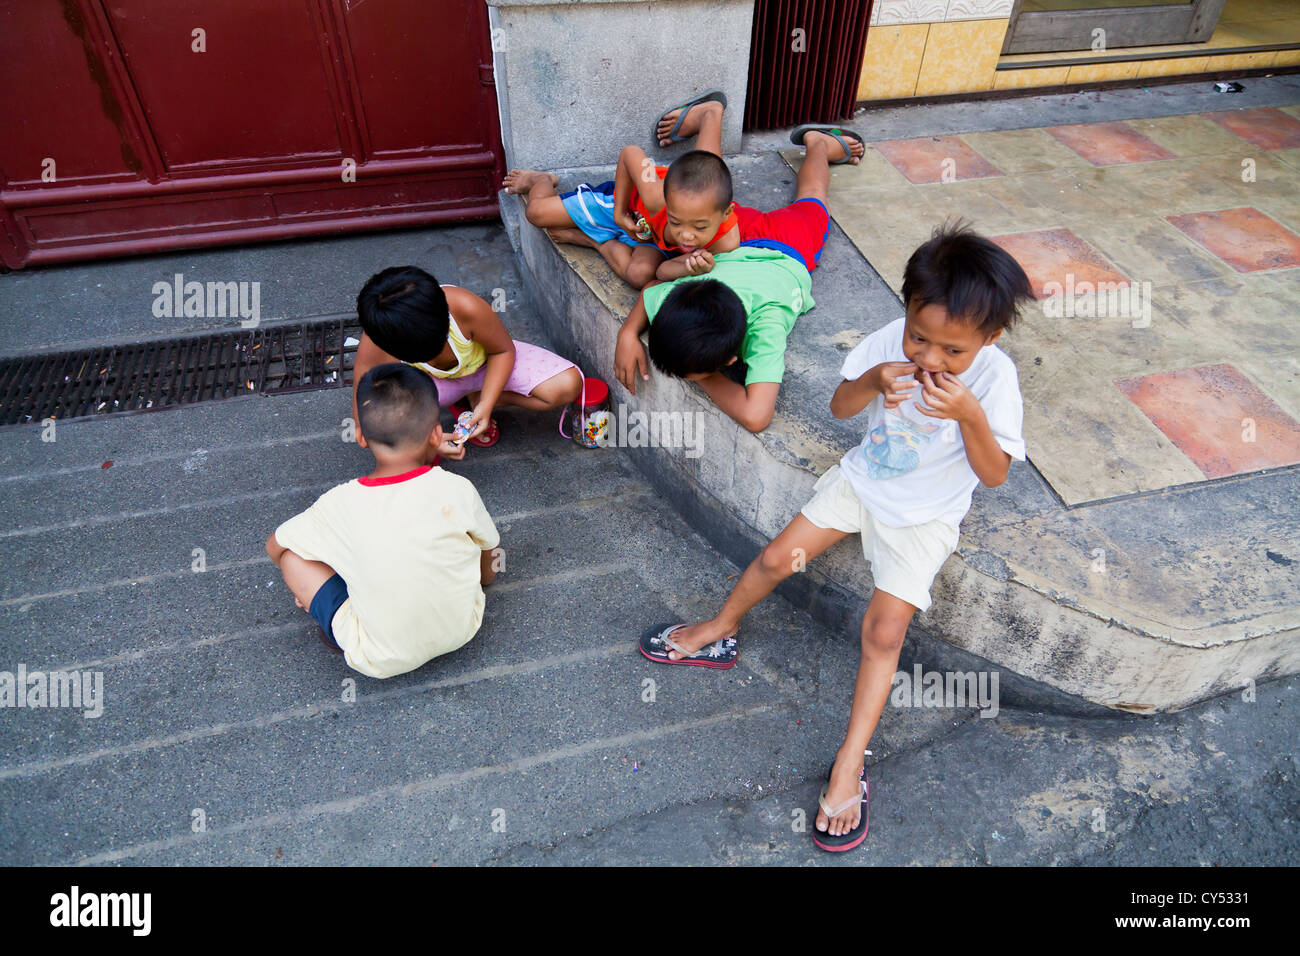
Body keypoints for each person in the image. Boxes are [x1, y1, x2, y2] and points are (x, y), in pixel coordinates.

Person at [637, 222, 1035, 852]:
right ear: (905, 312)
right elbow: (841, 409)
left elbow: (993, 475)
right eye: (920, 338)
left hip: (923, 516)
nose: (930, 359)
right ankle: (720, 627)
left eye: (951, 352)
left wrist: (970, 415)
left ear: (991, 338)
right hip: (861, 482)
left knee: (883, 632)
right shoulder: (891, 345)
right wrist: (875, 379)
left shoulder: (994, 381)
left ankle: (850, 763)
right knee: (775, 558)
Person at [266, 363, 502, 679]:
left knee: (293, 557)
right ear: (436, 434)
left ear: (361, 437)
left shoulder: (340, 503)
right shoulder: (457, 488)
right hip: (464, 626)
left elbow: (275, 547)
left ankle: (329, 612)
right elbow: (489, 549)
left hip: (379, 657)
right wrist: (484, 581)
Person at [353, 266, 582, 457]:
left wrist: (487, 404)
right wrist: (425, 442)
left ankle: (474, 399)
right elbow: (364, 380)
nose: (434, 358)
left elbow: (502, 351)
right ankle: (459, 404)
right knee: (403, 445)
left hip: (486, 366)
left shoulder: (465, 307)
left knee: (566, 385)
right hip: (432, 386)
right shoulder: (379, 336)